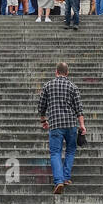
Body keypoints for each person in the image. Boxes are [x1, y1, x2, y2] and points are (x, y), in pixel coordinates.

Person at [37, 60, 86, 195]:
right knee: (70, 151)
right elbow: (79, 109)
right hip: (71, 125)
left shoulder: (48, 85)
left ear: (56, 72)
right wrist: (82, 125)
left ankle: (58, 181)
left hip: (56, 125)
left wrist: (43, 121)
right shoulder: (73, 86)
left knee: (55, 153)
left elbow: (41, 106)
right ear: (67, 73)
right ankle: (65, 177)